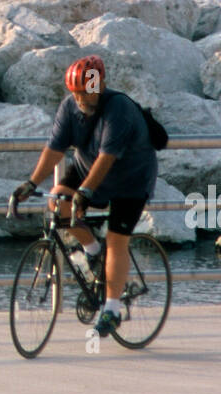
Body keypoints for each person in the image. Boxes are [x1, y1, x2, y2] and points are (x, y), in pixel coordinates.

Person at [12, 55, 158, 337]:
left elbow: (107, 158)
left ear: (100, 84)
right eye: (75, 91)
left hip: (130, 178)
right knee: (57, 199)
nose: (80, 97)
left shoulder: (119, 110)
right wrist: (31, 183)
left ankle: (112, 310)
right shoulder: (69, 107)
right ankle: (93, 250)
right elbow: (54, 150)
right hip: (86, 167)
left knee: (117, 239)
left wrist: (86, 192)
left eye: (86, 91)